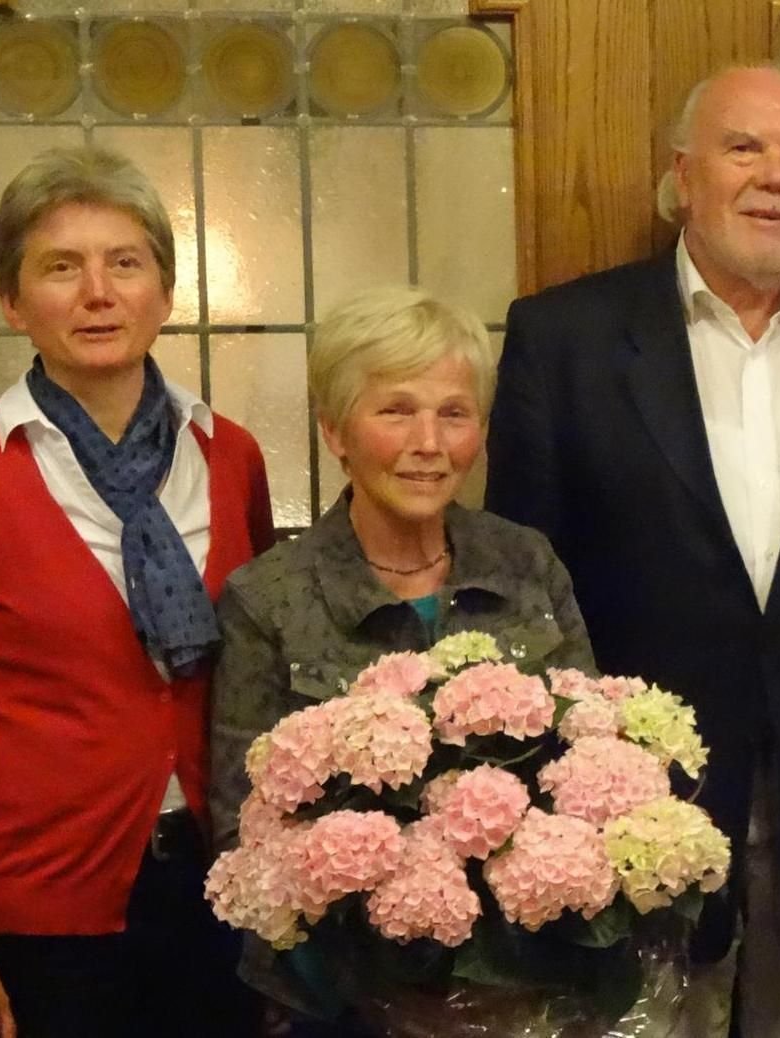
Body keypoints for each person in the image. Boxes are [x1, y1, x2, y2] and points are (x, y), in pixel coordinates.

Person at [483, 65, 780, 1037]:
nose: (775, 176)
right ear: (681, 177)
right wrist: (548, 808)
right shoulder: (563, 339)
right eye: (743, 148)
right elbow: (521, 601)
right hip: (629, 823)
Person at [0, 145, 273, 1038]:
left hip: (223, 895)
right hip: (36, 915)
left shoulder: (231, 455)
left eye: (125, 262)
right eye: (61, 267)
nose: (98, 292)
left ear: (165, 294)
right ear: (14, 303)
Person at [207, 285, 598, 1027]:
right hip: (339, 1006)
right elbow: (244, 835)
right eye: (395, 410)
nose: (430, 442)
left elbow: (591, 770)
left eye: (454, 413)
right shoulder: (270, 599)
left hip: (526, 996)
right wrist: (388, 993)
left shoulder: (527, 564)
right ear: (334, 431)